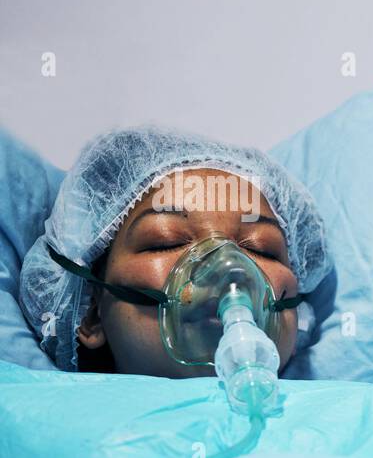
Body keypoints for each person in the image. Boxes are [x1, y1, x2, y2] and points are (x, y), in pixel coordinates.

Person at [19, 127, 330, 376]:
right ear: (89, 313)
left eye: (261, 249)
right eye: (167, 241)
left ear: (296, 313)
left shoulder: (360, 421)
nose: (230, 268)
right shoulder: (31, 437)